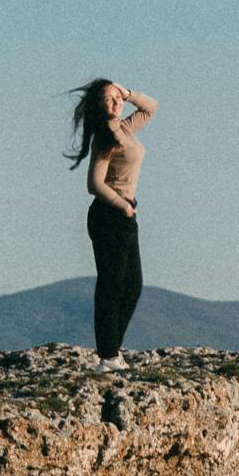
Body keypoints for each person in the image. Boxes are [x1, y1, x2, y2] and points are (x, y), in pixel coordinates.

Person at [68, 75, 156, 356]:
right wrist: (123, 206)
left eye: (117, 97)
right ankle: (108, 355)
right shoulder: (106, 135)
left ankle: (111, 350)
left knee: (133, 285)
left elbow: (151, 108)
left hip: (124, 214)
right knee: (112, 285)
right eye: (109, 98)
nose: (116, 102)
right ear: (98, 105)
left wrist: (127, 91)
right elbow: (94, 183)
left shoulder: (124, 128)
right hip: (111, 214)